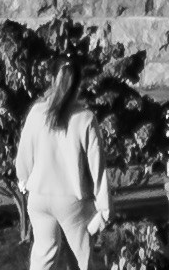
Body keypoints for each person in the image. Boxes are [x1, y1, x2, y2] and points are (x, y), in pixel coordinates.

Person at [14, 51, 119, 270]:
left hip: (38, 198)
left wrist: (24, 180)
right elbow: (97, 169)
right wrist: (104, 211)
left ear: (52, 79)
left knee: (42, 258)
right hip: (72, 201)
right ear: (79, 83)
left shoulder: (37, 113)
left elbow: (23, 157)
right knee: (81, 261)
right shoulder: (85, 119)